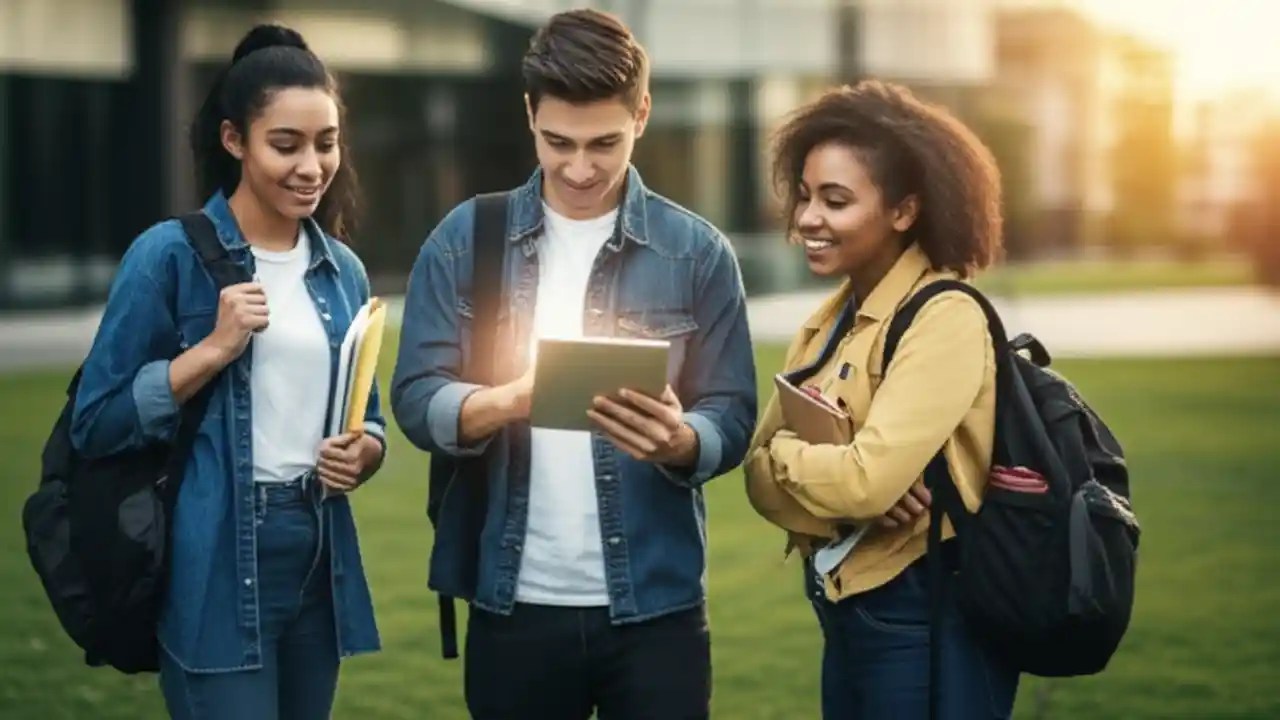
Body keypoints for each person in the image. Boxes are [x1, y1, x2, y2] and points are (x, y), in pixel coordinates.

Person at [391, 9, 757, 719]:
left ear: (642, 113)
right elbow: (414, 396)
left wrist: (685, 441)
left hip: (658, 611)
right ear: (529, 112)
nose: (580, 167)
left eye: (604, 143)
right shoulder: (466, 240)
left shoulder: (698, 253)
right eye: (557, 142)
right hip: (513, 608)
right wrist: (504, 402)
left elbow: (734, 413)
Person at [69, 24, 386, 720]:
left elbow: (368, 416)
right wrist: (209, 352)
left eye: (326, 143)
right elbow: (95, 425)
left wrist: (365, 450)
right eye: (286, 144)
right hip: (215, 560)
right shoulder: (166, 258)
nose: (311, 165)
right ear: (234, 140)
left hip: (318, 552)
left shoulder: (344, 271)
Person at [743, 81, 1020, 718]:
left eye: (836, 201)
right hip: (846, 607)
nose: (809, 218)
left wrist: (791, 458)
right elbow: (753, 480)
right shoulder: (833, 317)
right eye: (806, 196)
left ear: (904, 211)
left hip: (922, 616)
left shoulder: (944, 316)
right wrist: (826, 481)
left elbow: (861, 483)